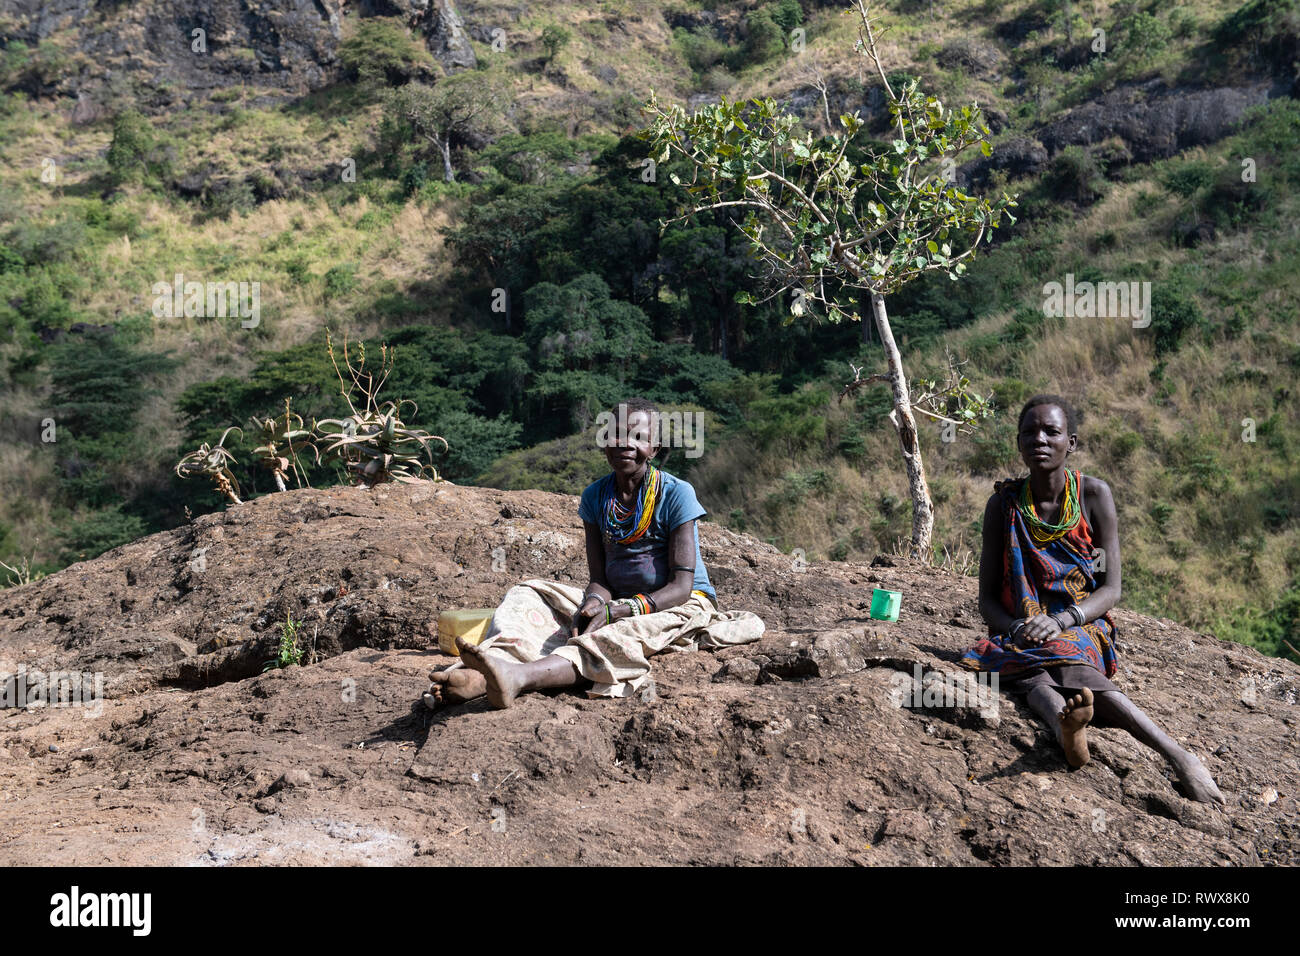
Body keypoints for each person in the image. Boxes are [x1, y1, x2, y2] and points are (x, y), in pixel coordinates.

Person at [959, 394, 1224, 804]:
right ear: (1018, 444)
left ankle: (1178, 755)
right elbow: (987, 600)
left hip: (1082, 623)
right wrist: (1018, 626)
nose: (1040, 440)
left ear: (1072, 442)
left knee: (1066, 655)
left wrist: (1063, 620)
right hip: (1019, 628)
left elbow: (1111, 588)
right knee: (1030, 663)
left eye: (1051, 431)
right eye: (1029, 432)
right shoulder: (1004, 505)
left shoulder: (1093, 496)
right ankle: (1065, 727)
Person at [423, 397, 765, 710]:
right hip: (617, 601)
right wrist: (594, 603)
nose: (625, 444)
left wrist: (621, 610)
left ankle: (518, 678)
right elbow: (600, 579)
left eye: (638, 437)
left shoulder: (677, 494)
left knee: (612, 636)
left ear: (654, 447)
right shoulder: (595, 497)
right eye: (616, 434)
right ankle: (484, 672)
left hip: (677, 604)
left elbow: (682, 587)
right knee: (528, 593)